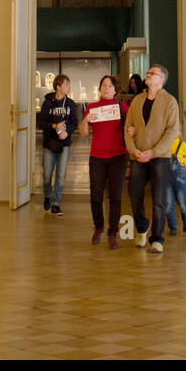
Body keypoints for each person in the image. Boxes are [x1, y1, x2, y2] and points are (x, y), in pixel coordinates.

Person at [124, 64, 179, 254]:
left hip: (160, 157)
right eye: (148, 73)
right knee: (134, 195)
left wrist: (154, 152)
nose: (148, 75)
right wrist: (134, 150)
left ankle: (157, 238)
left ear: (162, 79)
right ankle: (141, 228)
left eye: (152, 73)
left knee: (159, 199)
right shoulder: (137, 100)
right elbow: (128, 128)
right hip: (138, 155)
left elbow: (172, 131)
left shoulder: (170, 101)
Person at [79, 75, 129, 248]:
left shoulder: (122, 107)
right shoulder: (92, 108)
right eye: (104, 85)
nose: (106, 88)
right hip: (97, 157)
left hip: (118, 157)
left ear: (115, 90)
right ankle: (98, 226)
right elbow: (84, 133)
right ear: (99, 88)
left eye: (110, 85)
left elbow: (131, 128)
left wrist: (132, 131)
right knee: (95, 195)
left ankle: (112, 232)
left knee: (115, 196)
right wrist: (86, 120)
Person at [38, 74, 77, 215]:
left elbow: (74, 122)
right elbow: (41, 123)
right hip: (49, 143)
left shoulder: (71, 104)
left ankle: (56, 203)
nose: (69, 87)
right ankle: (47, 194)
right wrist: (55, 126)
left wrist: (68, 131)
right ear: (58, 87)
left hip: (64, 144)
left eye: (69, 84)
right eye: (66, 85)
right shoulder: (48, 103)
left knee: (61, 175)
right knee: (47, 174)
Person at [165, 136, 186, 235]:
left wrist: (182, 160)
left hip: (179, 179)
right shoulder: (165, 145)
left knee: (182, 202)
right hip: (166, 178)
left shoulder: (182, 145)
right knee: (168, 203)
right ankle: (172, 226)